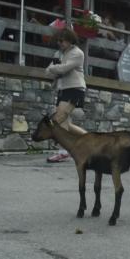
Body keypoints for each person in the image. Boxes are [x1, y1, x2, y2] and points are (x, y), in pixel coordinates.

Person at [44, 28, 88, 163]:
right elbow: (47, 72)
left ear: (70, 40)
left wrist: (55, 68)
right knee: (66, 124)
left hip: (75, 88)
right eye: (58, 40)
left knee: (59, 118)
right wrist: (55, 69)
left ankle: (63, 152)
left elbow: (62, 69)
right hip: (62, 89)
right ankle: (94, 141)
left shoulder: (78, 53)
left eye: (62, 40)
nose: (59, 43)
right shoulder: (59, 53)